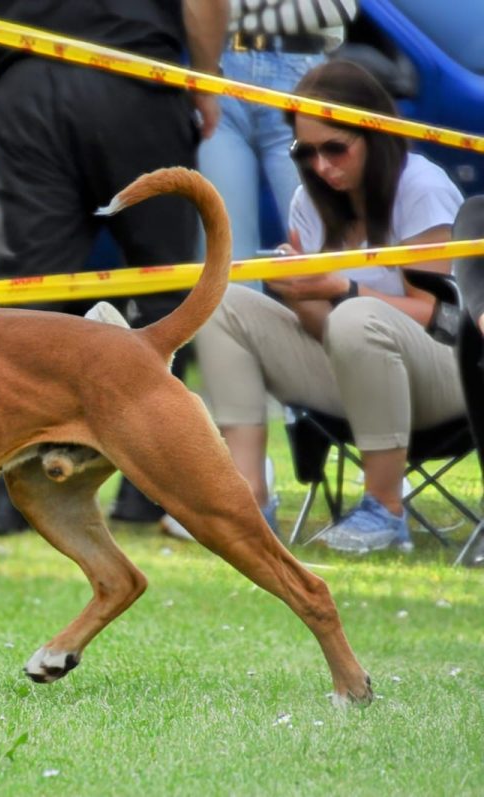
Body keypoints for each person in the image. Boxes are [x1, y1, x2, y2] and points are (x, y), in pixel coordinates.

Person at [0, 0, 228, 536]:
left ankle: (11, 498)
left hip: (29, 71)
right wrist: (206, 79)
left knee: (30, 295)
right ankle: (151, 493)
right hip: (133, 74)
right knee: (164, 295)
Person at [192, 60, 466, 553]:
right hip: (356, 367)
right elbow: (328, 329)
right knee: (222, 300)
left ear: (376, 134)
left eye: (335, 148)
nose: (321, 166)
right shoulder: (308, 200)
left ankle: (384, 508)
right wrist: (302, 294)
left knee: (357, 315)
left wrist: (342, 289)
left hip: (446, 376)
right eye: (306, 151)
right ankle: (247, 500)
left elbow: (441, 317)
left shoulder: (420, 187)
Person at [198, 0, 357, 263]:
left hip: (298, 71)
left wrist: (225, 10)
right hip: (220, 68)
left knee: (321, 251)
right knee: (222, 258)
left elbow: (337, 7)